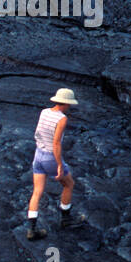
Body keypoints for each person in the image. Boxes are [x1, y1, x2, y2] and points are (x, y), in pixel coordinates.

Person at [27, 87, 77, 239]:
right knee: (69, 184)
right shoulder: (62, 119)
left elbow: (38, 133)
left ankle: (31, 230)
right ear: (66, 103)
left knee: (37, 192)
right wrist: (60, 165)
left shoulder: (44, 112)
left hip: (38, 155)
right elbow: (56, 144)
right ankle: (66, 219)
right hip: (50, 157)